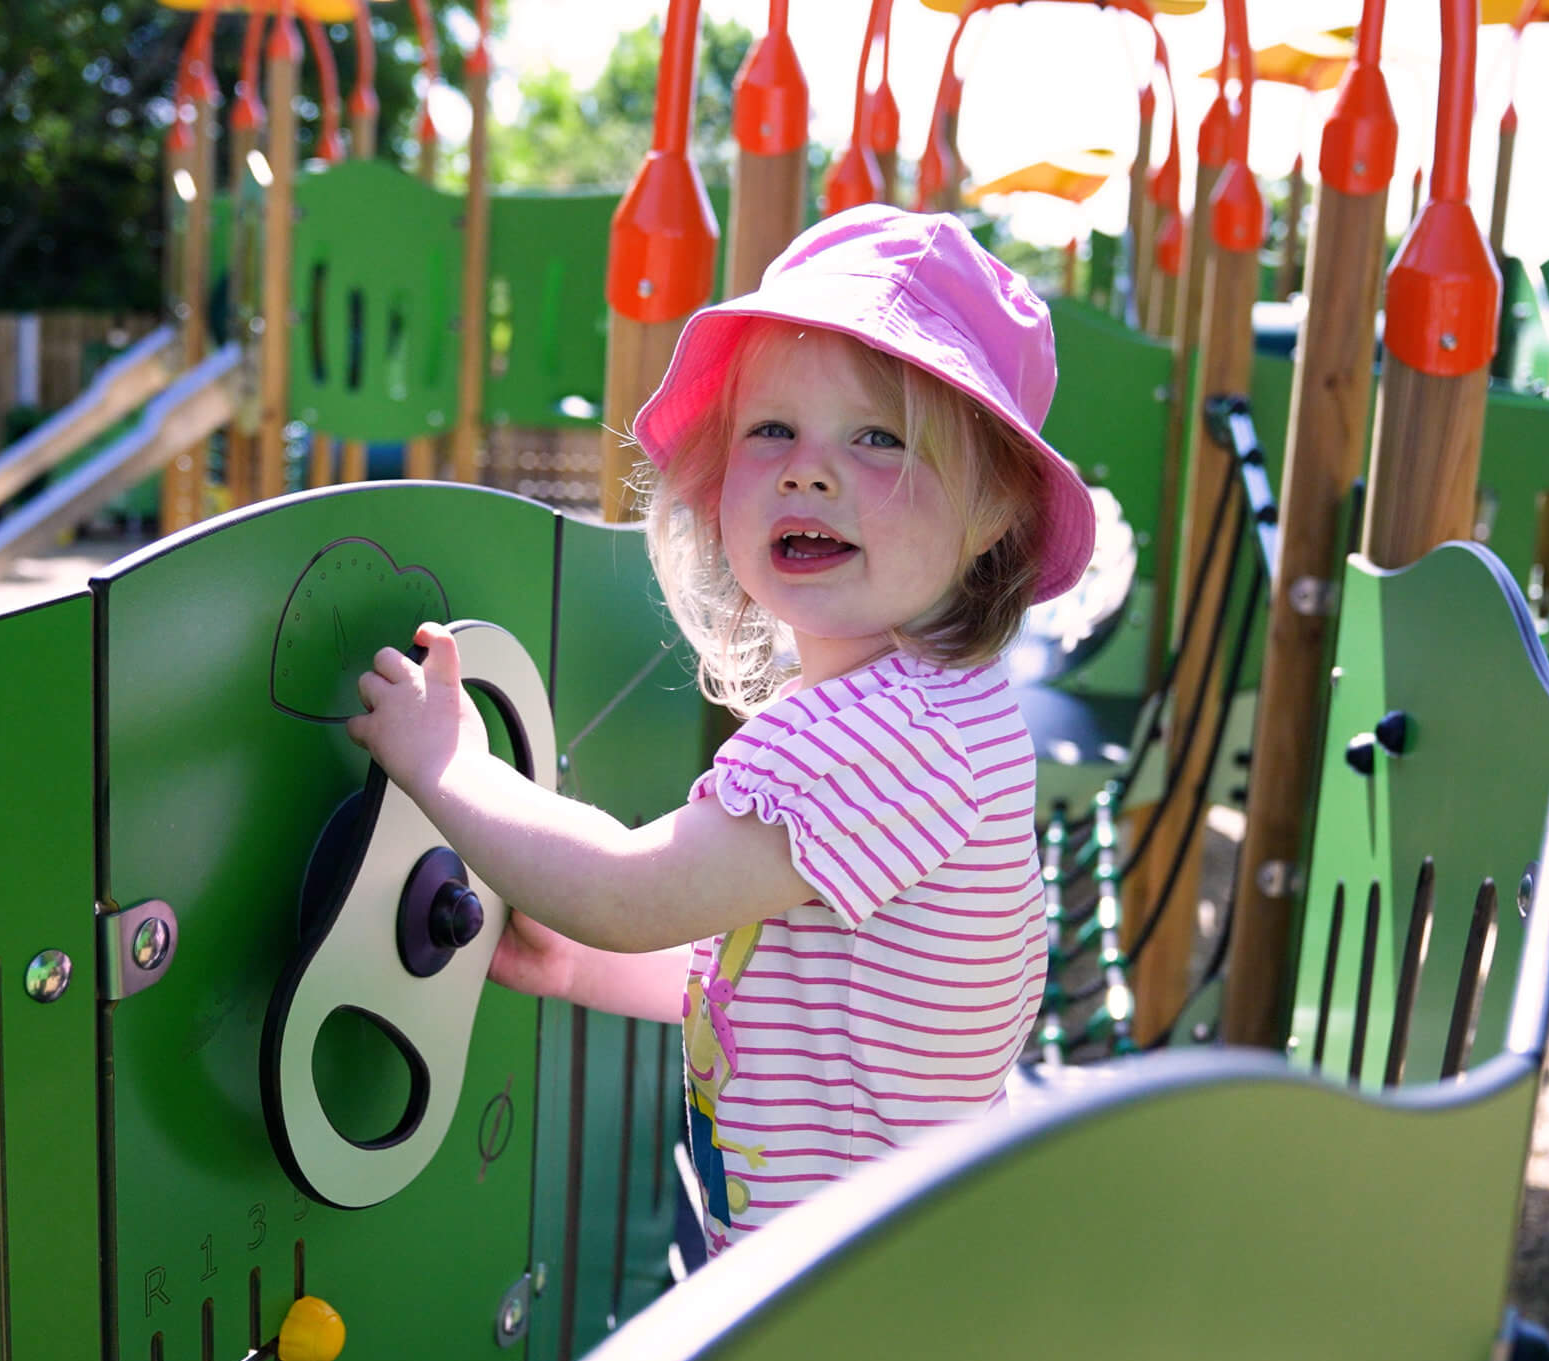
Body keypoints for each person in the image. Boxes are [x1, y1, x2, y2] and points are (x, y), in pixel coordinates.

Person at [347, 205, 1095, 1255]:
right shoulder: (934, 710)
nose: (807, 470)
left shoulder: (880, 738)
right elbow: (779, 982)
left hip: (842, 1294)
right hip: (883, 1260)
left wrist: (450, 765)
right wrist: (583, 969)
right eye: (771, 429)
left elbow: (628, 889)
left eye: (879, 438)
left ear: (994, 514)